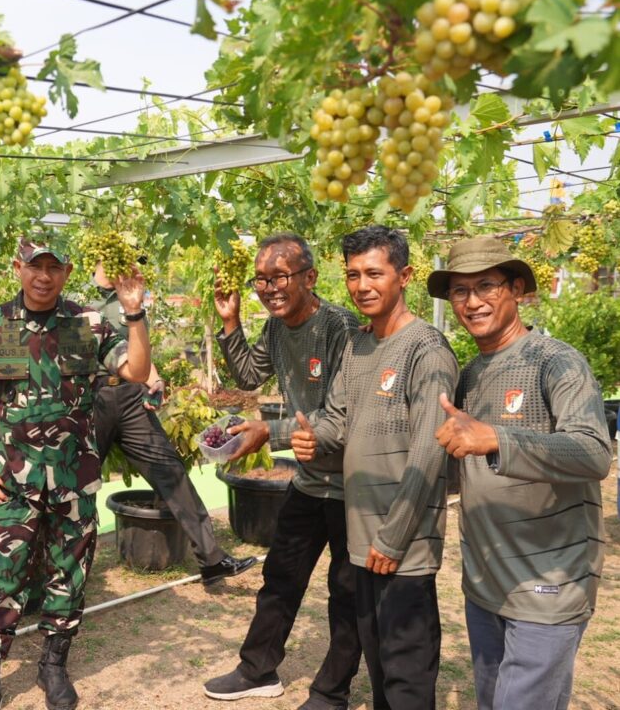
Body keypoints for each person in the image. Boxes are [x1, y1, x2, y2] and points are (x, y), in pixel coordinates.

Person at [0, 236, 151, 710]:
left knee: (69, 574)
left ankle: (53, 665)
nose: (43, 276)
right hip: (10, 481)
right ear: (17, 267)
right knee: (0, 576)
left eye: (53, 267)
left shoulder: (86, 325)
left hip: (73, 477)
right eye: (34, 266)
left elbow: (139, 373)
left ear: (66, 272)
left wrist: (134, 313)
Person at [427, 237, 610, 710]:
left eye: (485, 286)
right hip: (487, 581)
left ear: (517, 289)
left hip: (548, 583)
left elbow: (593, 453)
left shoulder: (555, 361)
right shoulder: (470, 374)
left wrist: (497, 439)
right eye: (460, 291)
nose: (471, 302)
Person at [291, 225, 457, 710]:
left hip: (399, 545)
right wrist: (309, 437)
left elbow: (430, 452)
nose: (361, 286)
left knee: (407, 674)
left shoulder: (426, 350)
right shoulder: (360, 345)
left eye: (374, 273)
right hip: (362, 537)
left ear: (403, 276)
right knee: (381, 665)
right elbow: (338, 422)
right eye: (352, 275)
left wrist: (393, 536)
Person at [203, 234, 361, 709]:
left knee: (347, 592)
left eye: (280, 277)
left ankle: (331, 693)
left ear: (309, 278)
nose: (269, 288)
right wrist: (230, 323)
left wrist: (266, 432)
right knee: (281, 576)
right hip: (310, 480)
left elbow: (340, 418)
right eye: (261, 279)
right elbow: (250, 376)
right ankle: (257, 669)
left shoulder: (341, 329)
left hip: (352, 485)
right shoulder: (275, 328)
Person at [88, 259, 257, 585]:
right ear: (103, 260)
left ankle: (211, 559)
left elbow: (137, 349)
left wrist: (154, 377)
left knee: (171, 470)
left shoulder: (133, 297)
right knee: (78, 483)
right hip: (92, 397)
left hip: (132, 397)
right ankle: (59, 575)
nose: (134, 268)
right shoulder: (79, 299)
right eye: (127, 260)